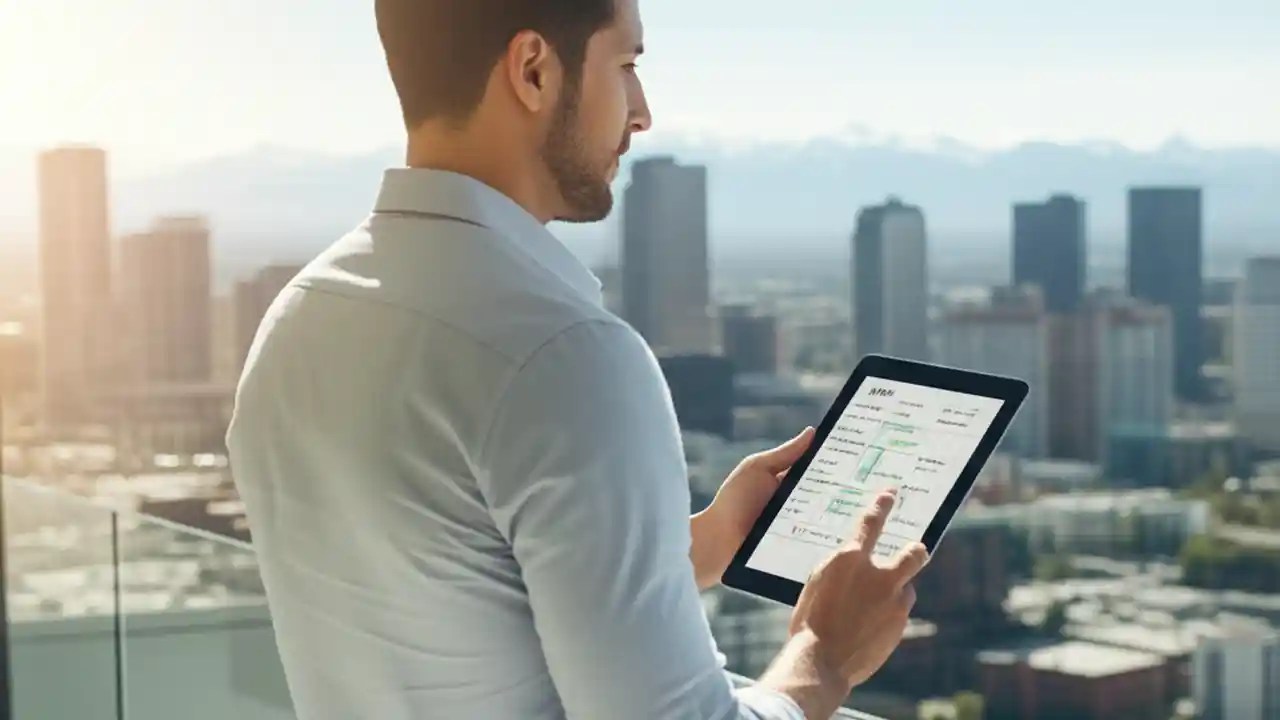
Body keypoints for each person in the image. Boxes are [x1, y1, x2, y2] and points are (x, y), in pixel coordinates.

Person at [226, 1, 930, 718]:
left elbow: (450, 608)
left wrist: (702, 545)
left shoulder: (302, 314)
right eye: (626, 65)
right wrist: (826, 650)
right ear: (533, 70)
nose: (643, 111)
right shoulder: (562, 355)